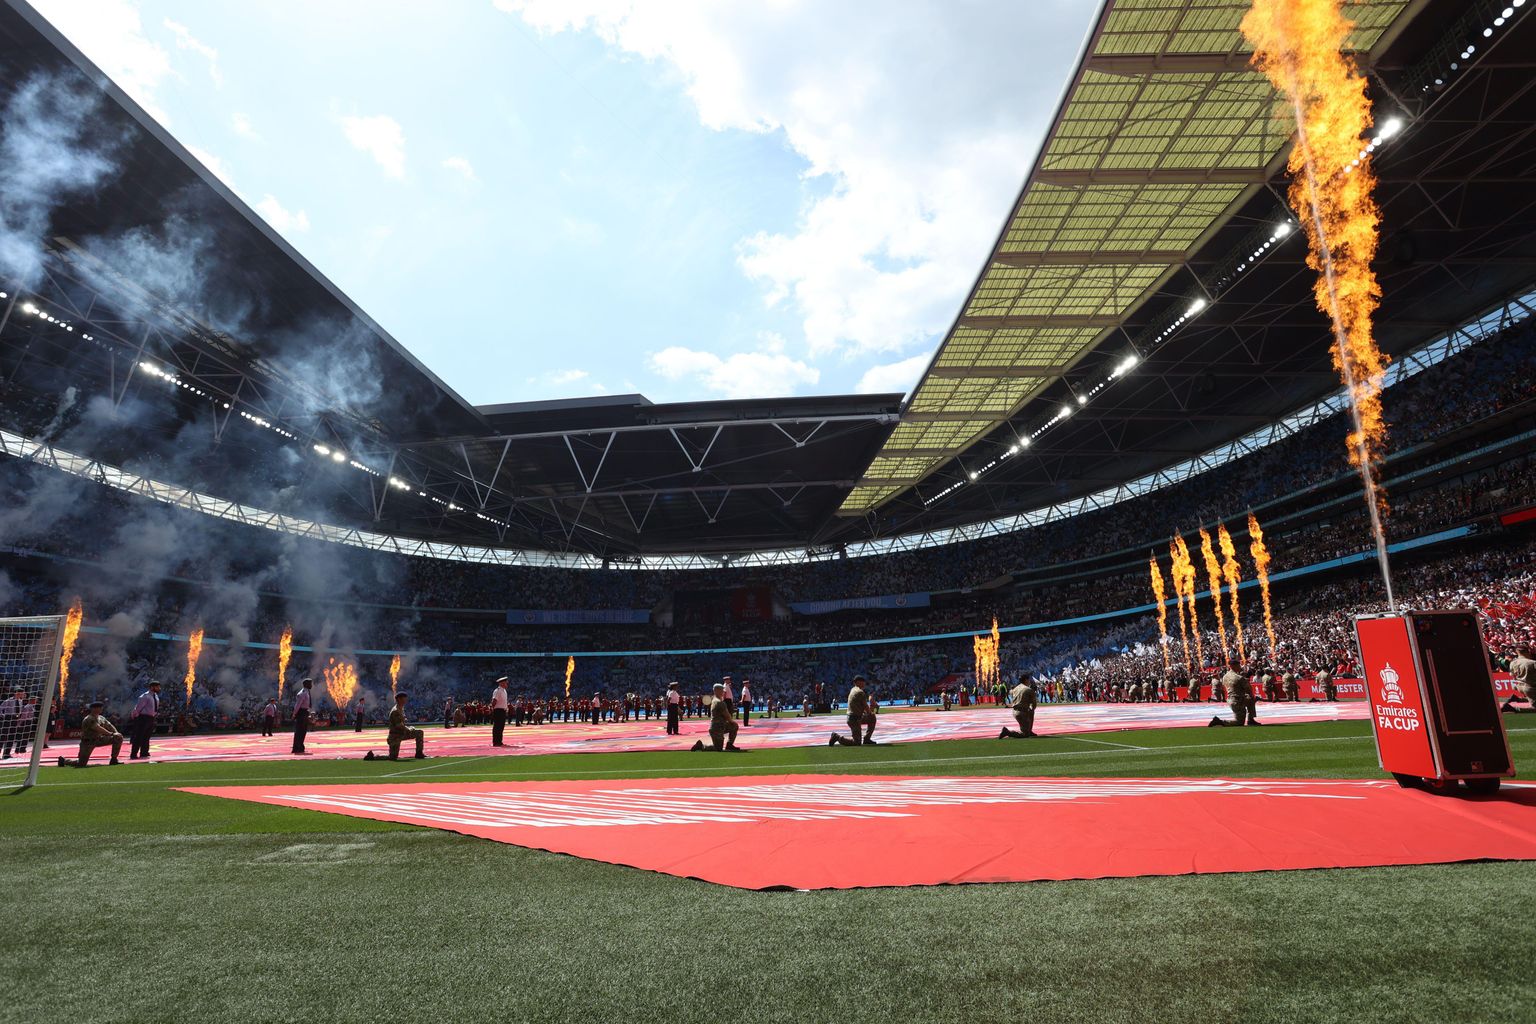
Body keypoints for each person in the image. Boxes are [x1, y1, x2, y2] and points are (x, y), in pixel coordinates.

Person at [58, 700, 123, 767]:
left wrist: (116, 733)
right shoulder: (89, 718)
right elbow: (98, 728)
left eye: (101, 707)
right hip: (88, 742)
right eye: (99, 707)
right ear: (93, 709)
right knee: (81, 764)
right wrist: (111, 734)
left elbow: (110, 725)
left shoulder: (101, 718)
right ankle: (64, 761)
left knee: (118, 737)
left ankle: (114, 759)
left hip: (99, 739)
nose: (101, 709)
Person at [366, 692, 425, 761]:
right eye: (404, 698)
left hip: (401, 734)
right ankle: (372, 757)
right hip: (395, 736)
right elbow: (399, 726)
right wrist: (409, 729)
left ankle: (419, 753)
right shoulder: (395, 711)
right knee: (392, 757)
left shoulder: (400, 709)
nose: (406, 700)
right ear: (399, 699)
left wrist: (409, 728)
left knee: (419, 733)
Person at [690, 683, 742, 752]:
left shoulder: (714, 700)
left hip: (718, 727)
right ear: (716, 691)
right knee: (718, 748)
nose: (723, 692)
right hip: (717, 728)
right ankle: (701, 746)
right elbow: (728, 717)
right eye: (721, 690)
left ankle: (729, 745)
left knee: (734, 726)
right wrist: (732, 721)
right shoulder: (720, 702)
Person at [1208, 661, 1255, 727]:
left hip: (1230, 699)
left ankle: (1251, 720)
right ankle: (1220, 722)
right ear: (1233, 666)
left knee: (1249, 699)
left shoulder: (1225, 677)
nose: (1240, 667)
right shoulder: (1239, 678)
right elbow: (1249, 690)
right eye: (1238, 666)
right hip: (1238, 701)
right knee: (1239, 722)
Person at [829, 676, 871, 747]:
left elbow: (858, 705)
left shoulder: (853, 689)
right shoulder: (860, 692)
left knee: (872, 717)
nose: (864, 684)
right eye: (863, 682)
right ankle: (837, 737)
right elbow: (866, 707)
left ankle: (867, 738)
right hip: (855, 719)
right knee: (856, 742)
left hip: (852, 717)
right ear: (858, 682)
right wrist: (870, 712)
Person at [999, 674, 1039, 739]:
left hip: (1015, 711)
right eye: (1028, 679)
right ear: (1026, 680)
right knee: (1025, 734)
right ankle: (1007, 732)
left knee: (1030, 712)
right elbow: (1034, 704)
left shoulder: (1015, 689)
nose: (1029, 681)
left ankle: (1029, 730)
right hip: (1022, 712)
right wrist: (1032, 709)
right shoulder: (1028, 690)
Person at [128, 680, 161, 760]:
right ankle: (134, 753)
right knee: (139, 736)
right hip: (143, 717)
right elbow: (138, 708)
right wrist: (135, 716)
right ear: (152, 687)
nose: (159, 688)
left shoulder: (155, 696)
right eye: (157, 687)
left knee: (147, 736)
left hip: (151, 718)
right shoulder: (145, 696)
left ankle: (144, 752)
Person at [1501, 645, 1535, 713]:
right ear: (1527, 652)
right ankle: (1513, 708)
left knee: (1531, 696)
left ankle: (1516, 698)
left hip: (1519, 686)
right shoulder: (1532, 662)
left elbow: (1512, 675)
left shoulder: (1513, 663)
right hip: (1530, 687)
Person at [291, 678, 313, 754]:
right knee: (299, 731)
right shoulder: (302, 693)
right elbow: (298, 705)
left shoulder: (306, 692)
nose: (311, 685)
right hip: (301, 712)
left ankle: (300, 746)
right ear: (306, 684)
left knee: (303, 731)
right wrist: (294, 714)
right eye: (310, 683)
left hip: (304, 712)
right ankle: (296, 747)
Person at [0, 688, 20, 760]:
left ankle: (6, 754)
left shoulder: (20, 701)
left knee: (11, 737)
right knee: (3, 736)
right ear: (15, 693)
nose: (20, 694)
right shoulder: (9, 700)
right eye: (19, 693)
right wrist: (2, 715)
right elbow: (1, 708)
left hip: (15, 718)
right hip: (8, 718)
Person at [490, 677, 510, 745]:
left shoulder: (504, 691)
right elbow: (494, 700)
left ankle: (499, 741)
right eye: (505, 683)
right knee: (497, 726)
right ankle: (496, 742)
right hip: (498, 710)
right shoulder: (497, 690)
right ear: (502, 683)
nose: (507, 684)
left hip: (502, 711)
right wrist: (492, 708)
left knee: (501, 726)